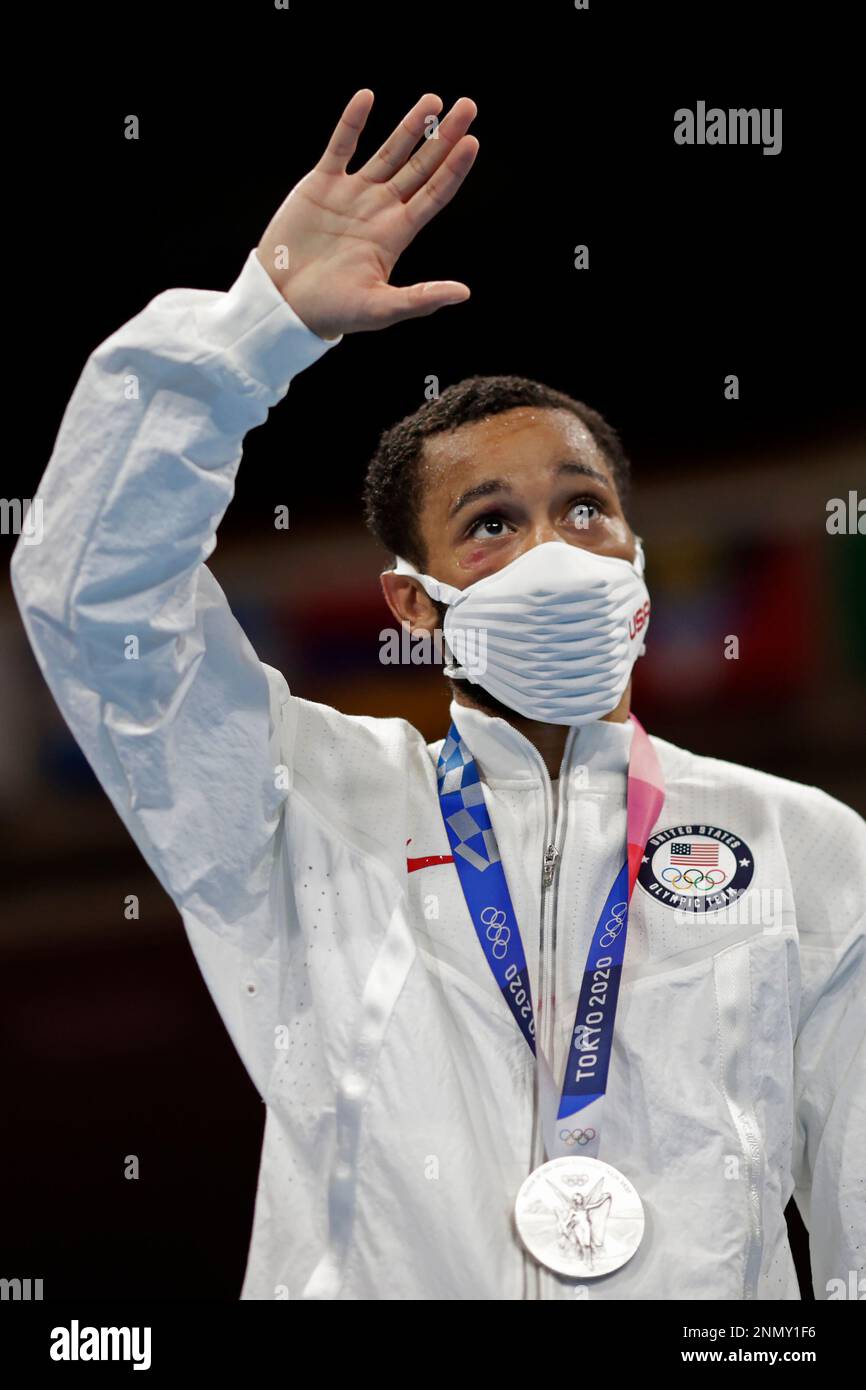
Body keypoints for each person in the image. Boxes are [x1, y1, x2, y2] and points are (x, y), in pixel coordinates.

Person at [11, 88, 865, 1302]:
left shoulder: (803, 845)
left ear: (631, 554)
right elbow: (92, 599)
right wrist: (252, 335)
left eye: (582, 508)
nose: (553, 548)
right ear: (412, 604)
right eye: (490, 524)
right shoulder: (298, 805)